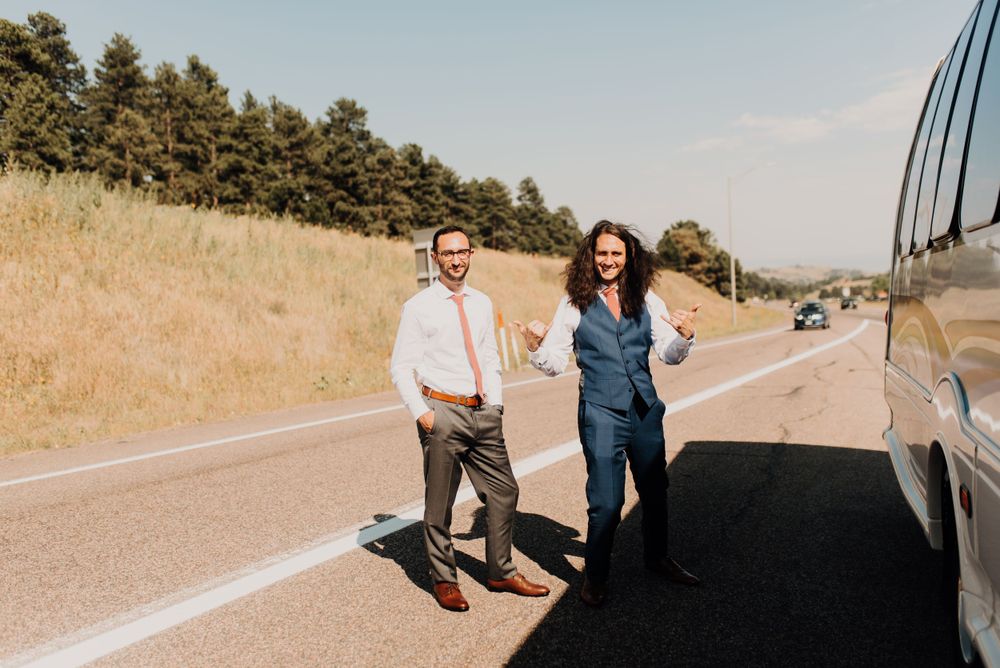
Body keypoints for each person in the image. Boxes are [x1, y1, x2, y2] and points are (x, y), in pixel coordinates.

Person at [514, 220, 701, 607]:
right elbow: (554, 363)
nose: (609, 260)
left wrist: (684, 337)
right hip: (600, 411)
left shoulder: (647, 298)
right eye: (602, 253)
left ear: (629, 257)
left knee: (654, 490)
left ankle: (657, 558)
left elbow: (667, 353)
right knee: (607, 502)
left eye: (616, 253)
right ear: (591, 257)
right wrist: (534, 347)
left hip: (644, 410)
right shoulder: (573, 302)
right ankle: (595, 576)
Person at [390, 225, 550, 612]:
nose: (456, 259)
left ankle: (501, 572)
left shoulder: (481, 301)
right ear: (436, 258)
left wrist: (496, 404)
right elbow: (401, 367)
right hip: (442, 412)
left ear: (472, 255)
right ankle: (445, 580)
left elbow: (490, 357)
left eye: (462, 252)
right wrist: (424, 415)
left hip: (483, 412)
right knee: (439, 504)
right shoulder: (419, 307)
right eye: (448, 253)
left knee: (504, 491)